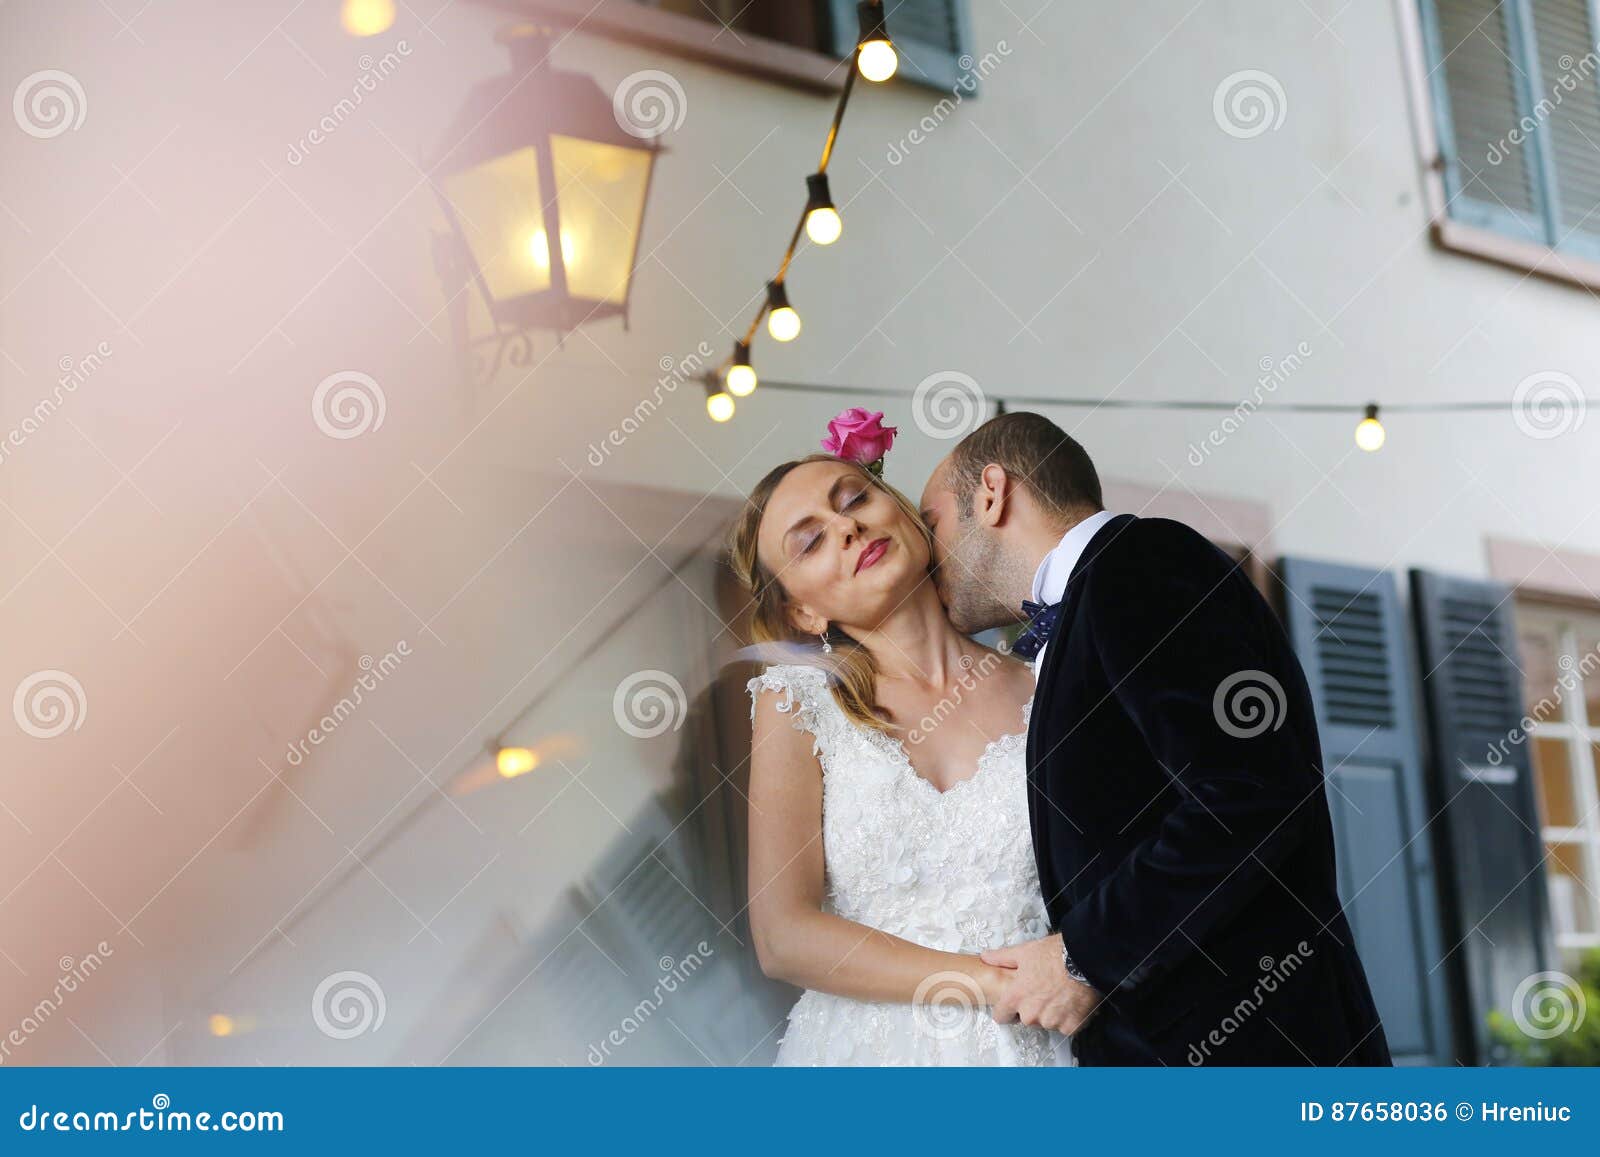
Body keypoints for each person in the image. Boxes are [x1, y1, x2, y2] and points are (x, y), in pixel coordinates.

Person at [919, 410, 1392, 1066]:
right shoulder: (1086, 602)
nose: (926, 554)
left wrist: (1081, 956)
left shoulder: (1142, 562)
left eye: (933, 522)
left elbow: (1246, 795)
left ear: (991, 493)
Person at [730, 426, 1069, 1065]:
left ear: (902, 509)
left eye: (854, 499)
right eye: (811, 541)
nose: (846, 528)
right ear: (803, 613)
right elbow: (783, 937)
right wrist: (991, 982)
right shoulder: (798, 704)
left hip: (1036, 1044)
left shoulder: (1048, 684)